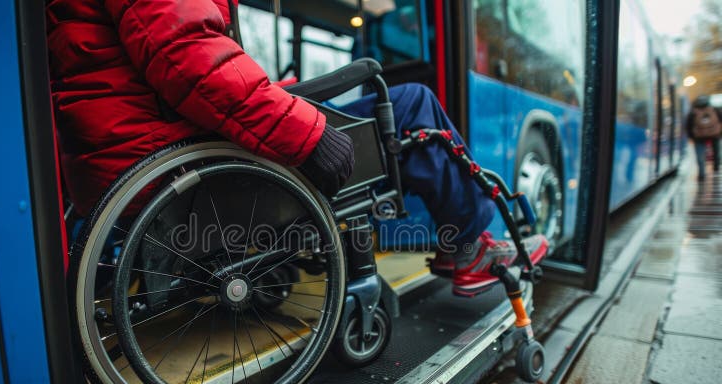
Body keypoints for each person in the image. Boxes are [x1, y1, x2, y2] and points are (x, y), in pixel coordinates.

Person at [46, 0, 547, 297]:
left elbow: (181, 68)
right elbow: (190, 63)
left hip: (143, 166)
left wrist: (279, 95)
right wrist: (305, 133)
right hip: (184, 176)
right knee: (411, 102)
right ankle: (467, 248)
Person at [685, 95, 722, 180]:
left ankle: (701, 173)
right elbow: (720, 120)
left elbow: (688, 124)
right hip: (715, 134)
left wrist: (692, 136)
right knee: (716, 152)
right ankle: (716, 167)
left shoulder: (693, 111)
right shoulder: (714, 109)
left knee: (700, 155)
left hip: (698, 136)